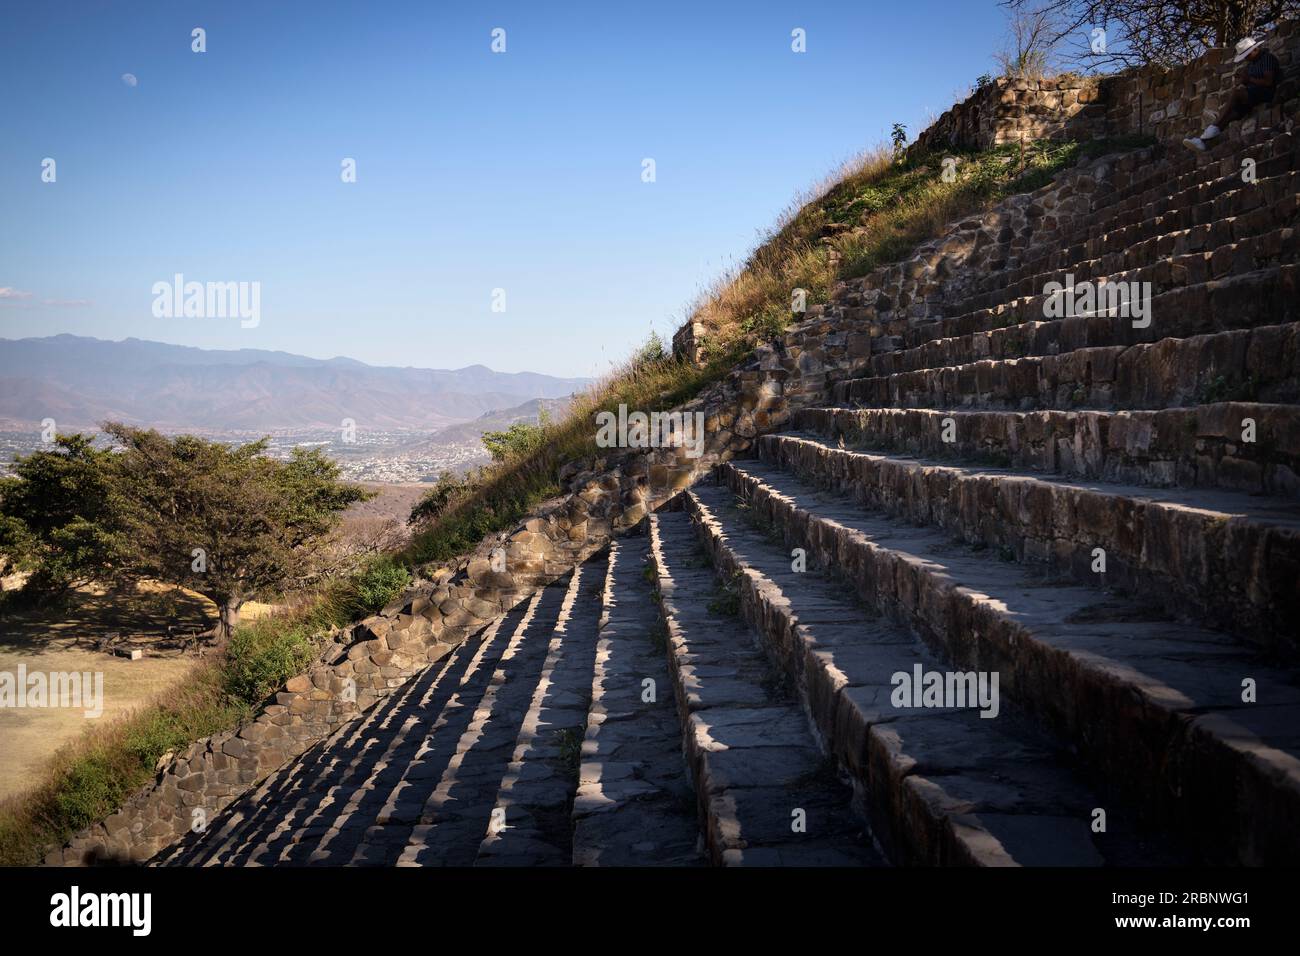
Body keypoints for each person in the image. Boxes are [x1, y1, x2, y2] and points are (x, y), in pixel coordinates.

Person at [1183, 37, 1281, 151]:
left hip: (1265, 93)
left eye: (1248, 55)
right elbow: (1247, 81)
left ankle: (1212, 128)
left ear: (1255, 50)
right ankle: (1203, 141)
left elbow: (1268, 82)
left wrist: (1249, 79)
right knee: (1231, 114)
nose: (1246, 59)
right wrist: (1242, 80)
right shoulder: (1250, 65)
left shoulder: (1267, 58)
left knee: (1236, 92)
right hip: (1251, 96)